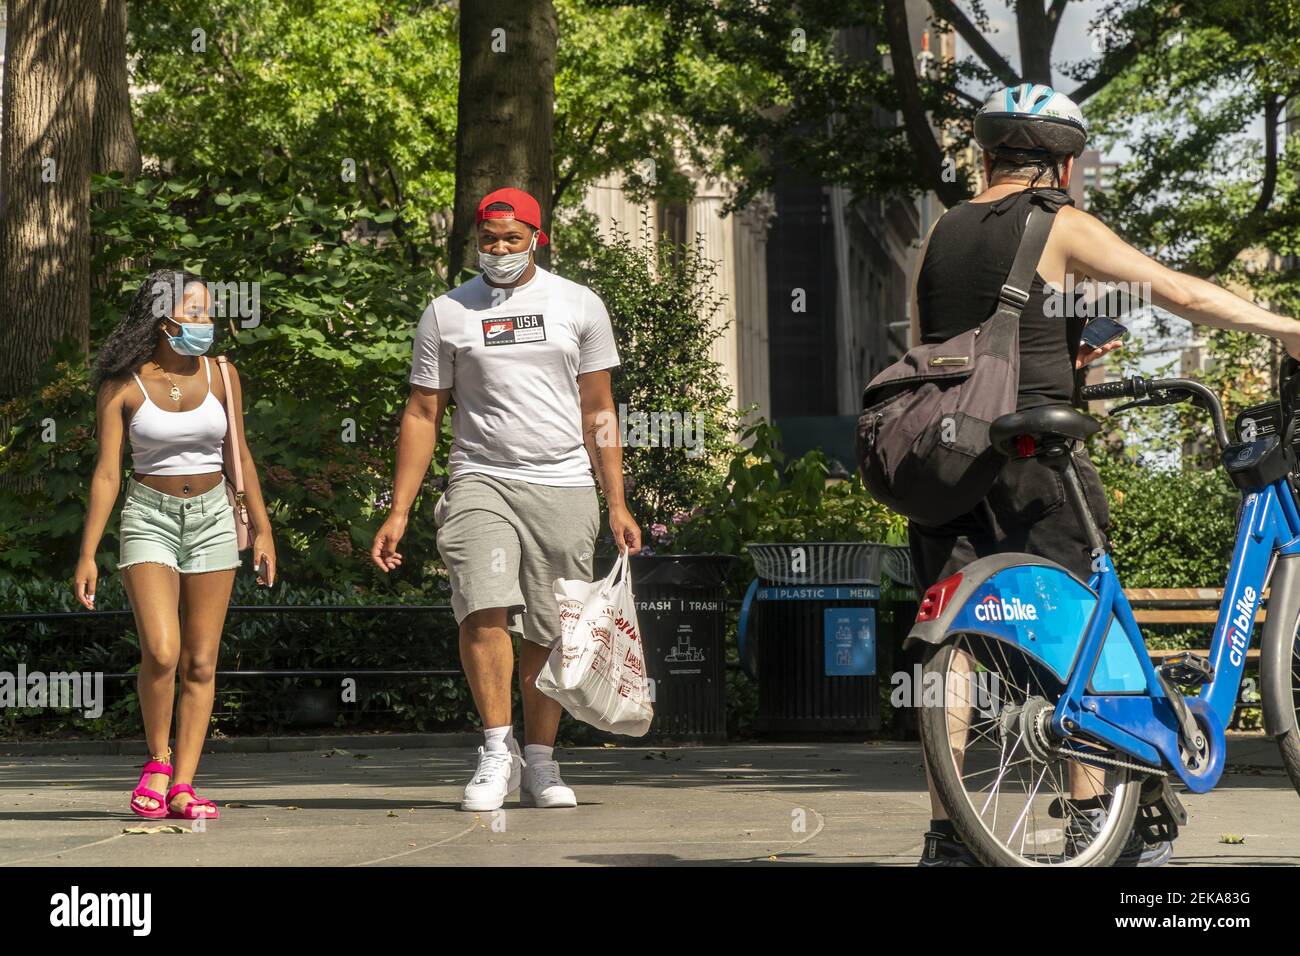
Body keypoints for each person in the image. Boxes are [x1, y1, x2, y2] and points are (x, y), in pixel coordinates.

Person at [908, 84, 1300, 865]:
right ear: (1064, 162)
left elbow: (937, 347)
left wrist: (1067, 354)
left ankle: (948, 837)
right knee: (1081, 628)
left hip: (945, 458)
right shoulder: (1057, 222)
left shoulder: (939, 234)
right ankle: (1098, 820)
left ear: (986, 157)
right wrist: (1287, 328)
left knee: (951, 646)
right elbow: (1180, 293)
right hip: (1032, 456)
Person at [371, 187, 641, 812]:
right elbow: (422, 412)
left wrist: (618, 501)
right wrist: (400, 508)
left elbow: (598, 410)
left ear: (537, 238)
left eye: (511, 239)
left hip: (564, 484)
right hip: (479, 479)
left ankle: (541, 761)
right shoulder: (448, 312)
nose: (498, 250)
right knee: (482, 606)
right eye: (488, 240)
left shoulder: (579, 304)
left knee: (550, 627)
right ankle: (497, 750)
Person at [75, 269, 276, 822]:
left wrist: (263, 530)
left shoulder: (224, 375)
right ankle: (158, 762)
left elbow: (242, 457)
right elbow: (107, 476)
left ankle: (184, 784)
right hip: (148, 517)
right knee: (162, 652)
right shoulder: (123, 385)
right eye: (194, 313)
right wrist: (89, 551)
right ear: (163, 321)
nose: (205, 323)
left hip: (213, 516)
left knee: (202, 661)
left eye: (208, 313)